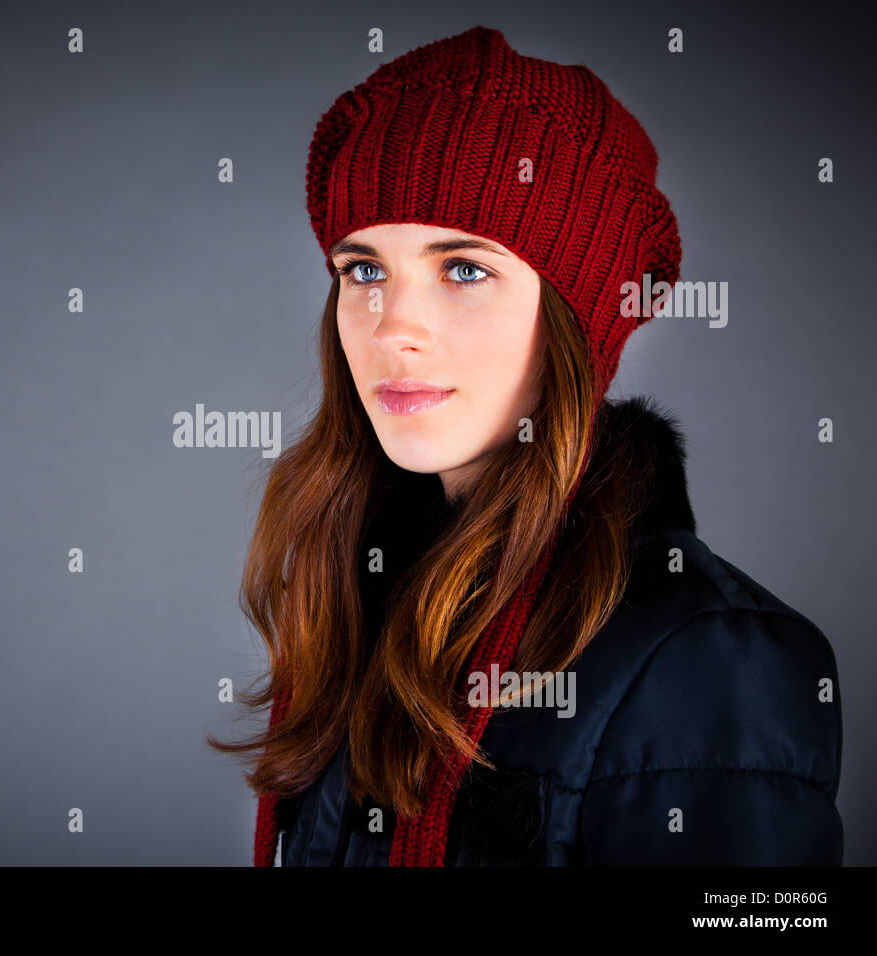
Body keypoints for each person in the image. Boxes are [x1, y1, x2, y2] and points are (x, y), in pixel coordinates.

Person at [206, 25, 843, 866]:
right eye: (364, 270)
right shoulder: (357, 603)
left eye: (464, 269)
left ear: (575, 324)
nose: (394, 327)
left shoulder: (712, 658)